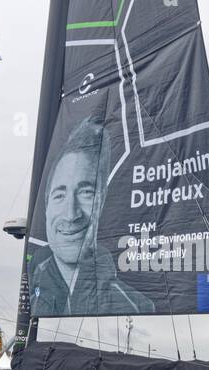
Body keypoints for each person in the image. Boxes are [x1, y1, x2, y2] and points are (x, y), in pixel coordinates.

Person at [30, 116, 154, 316]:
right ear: (46, 207)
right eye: (59, 195)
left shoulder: (137, 306)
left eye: (85, 192)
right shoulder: (33, 283)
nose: (71, 214)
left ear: (102, 201)